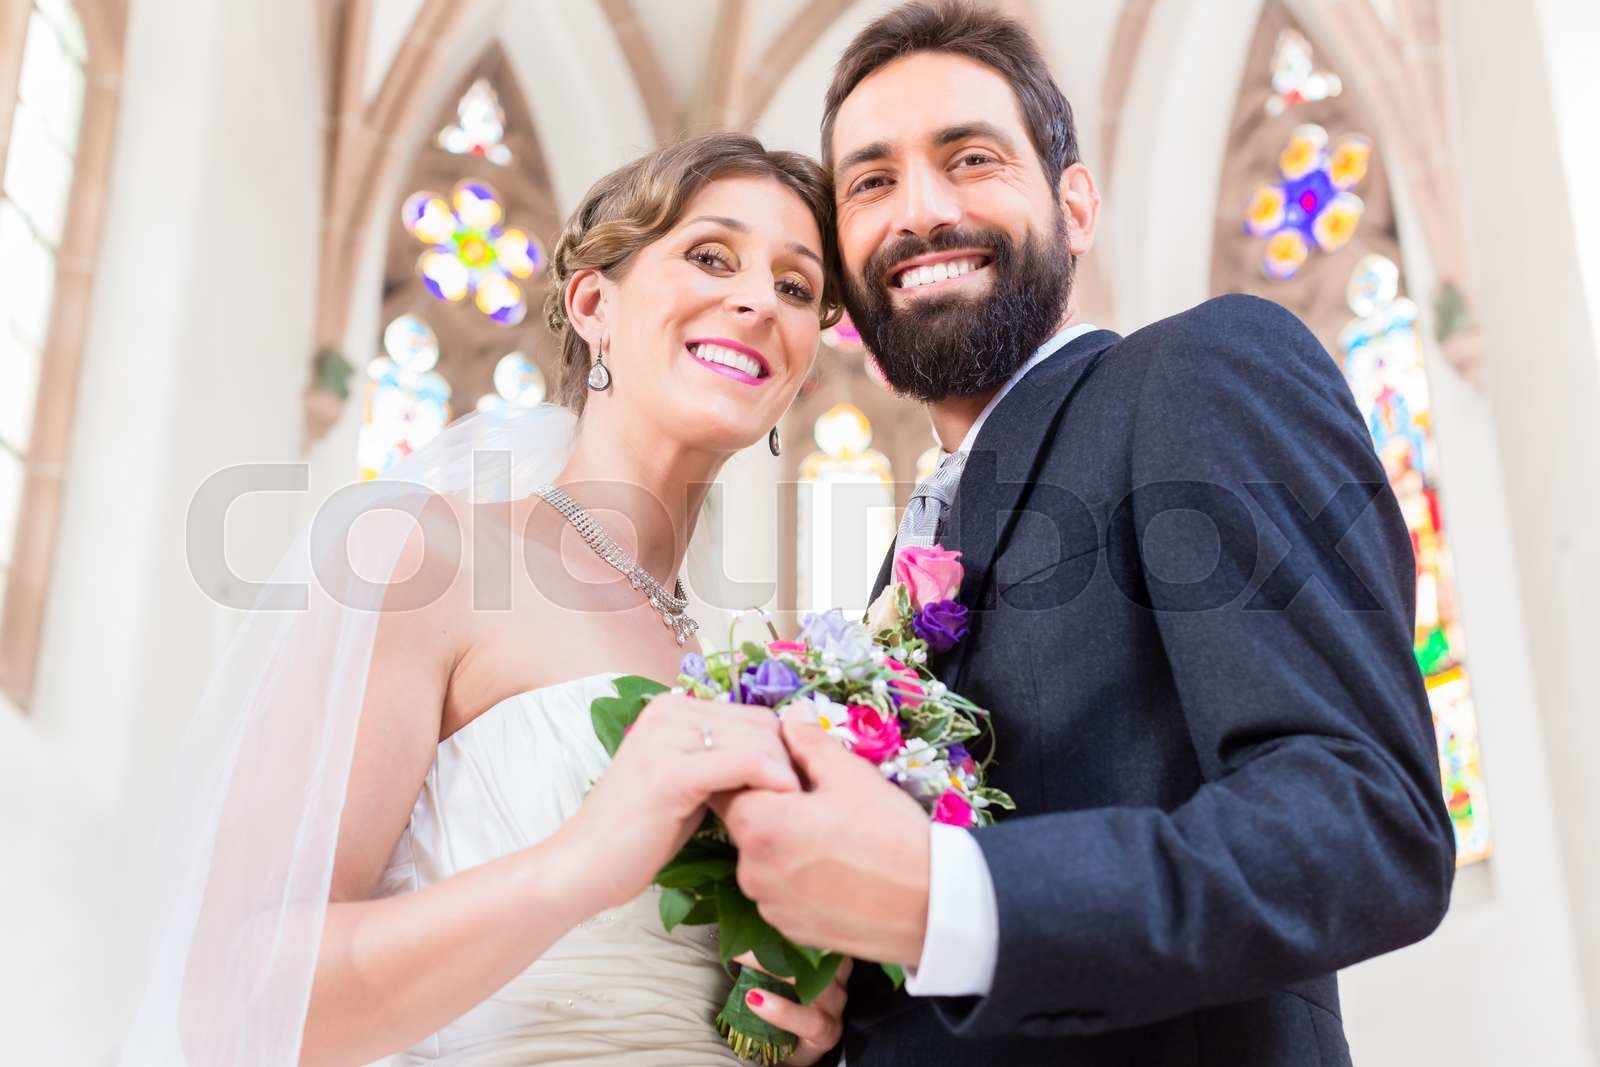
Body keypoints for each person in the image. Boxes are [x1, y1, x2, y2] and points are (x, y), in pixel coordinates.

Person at [714, 4, 1457, 1064]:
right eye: (871, 182)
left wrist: (946, 899)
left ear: (1075, 205)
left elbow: (1362, 820)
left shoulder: (1196, 374)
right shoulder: (906, 555)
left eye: (969, 158)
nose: (919, 211)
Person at [120, 133, 851, 1066]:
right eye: (711, 256)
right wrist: (575, 865)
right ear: (593, 303)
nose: (757, 301)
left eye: (796, 288)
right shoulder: (425, 554)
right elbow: (237, 995)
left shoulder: (747, 673)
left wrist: (781, 1011)